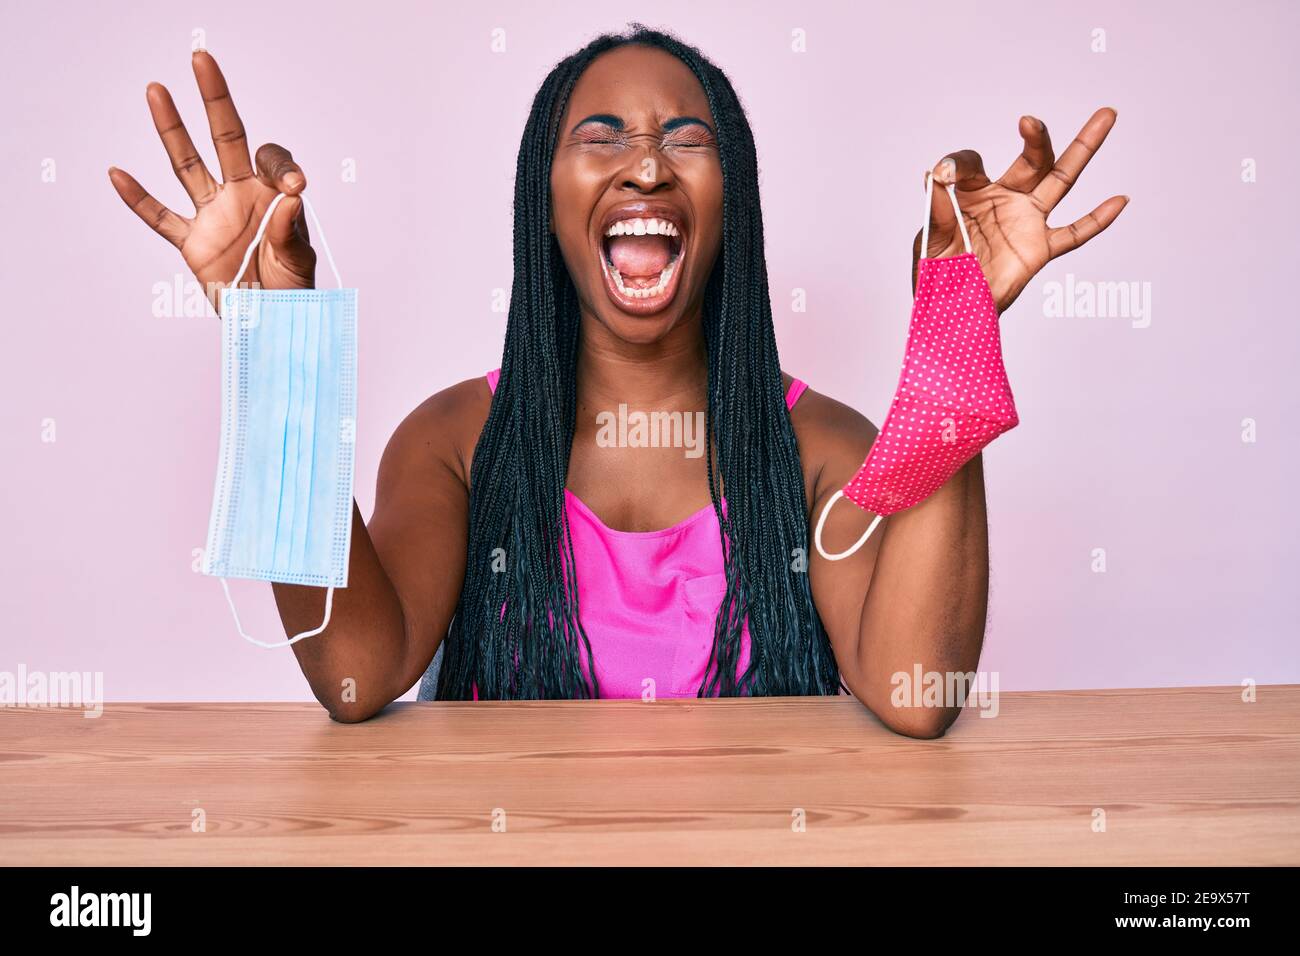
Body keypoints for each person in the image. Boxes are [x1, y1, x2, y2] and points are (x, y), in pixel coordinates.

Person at [108, 25, 1126, 736]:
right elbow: (354, 674)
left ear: (733, 202)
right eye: (600, 138)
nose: (646, 167)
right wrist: (277, 343)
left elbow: (916, 695)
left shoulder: (824, 451)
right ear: (544, 199)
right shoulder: (453, 440)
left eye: (688, 139)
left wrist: (956, 328)